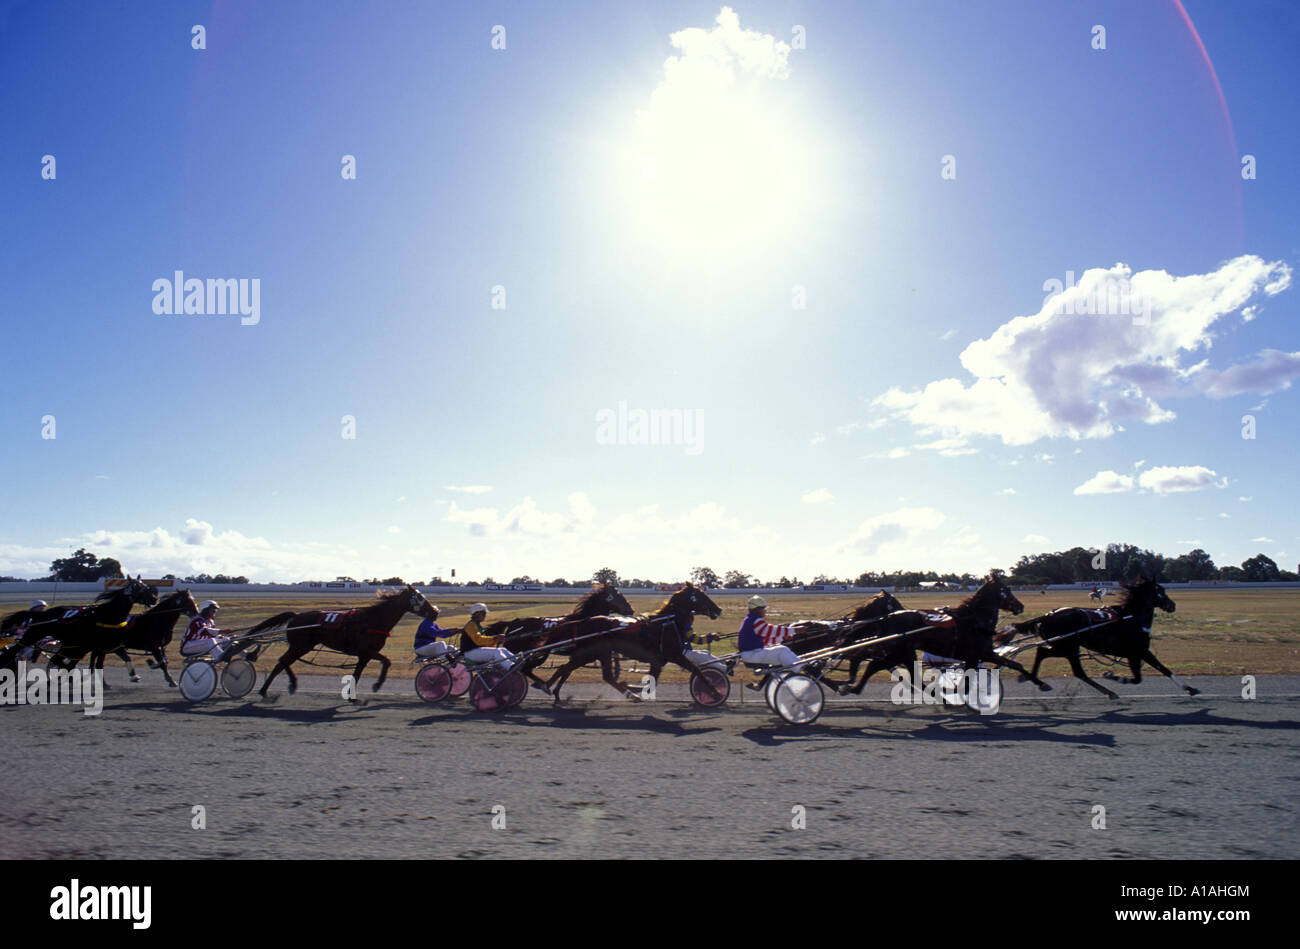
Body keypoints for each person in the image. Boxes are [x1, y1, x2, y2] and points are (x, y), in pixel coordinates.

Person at [737, 596, 801, 671]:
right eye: (764, 609)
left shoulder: (750, 619)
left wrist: (782, 637)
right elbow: (771, 631)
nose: (765, 611)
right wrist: (794, 630)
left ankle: (798, 668)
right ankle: (801, 669)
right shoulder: (756, 621)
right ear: (757, 609)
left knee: (782, 651)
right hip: (752, 655)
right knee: (782, 650)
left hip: (751, 654)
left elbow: (765, 639)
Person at [180, 600, 246, 661]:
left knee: (228, 640)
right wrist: (222, 631)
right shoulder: (197, 620)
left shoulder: (211, 621)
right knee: (211, 641)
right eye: (213, 609)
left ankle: (246, 655)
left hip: (201, 644)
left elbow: (215, 635)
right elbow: (204, 631)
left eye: (215, 610)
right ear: (205, 610)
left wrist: (229, 638)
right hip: (187, 646)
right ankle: (220, 656)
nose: (214, 612)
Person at [459, 603, 516, 669]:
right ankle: (511, 666)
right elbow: (479, 640)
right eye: (483, 613)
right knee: (496, 652)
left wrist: (496, 640)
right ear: (476, 613)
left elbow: (483, 642)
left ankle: (516, 661)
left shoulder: (477, 625)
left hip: (476, 651)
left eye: (485, 613)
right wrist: (495, 638)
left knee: (503, 649)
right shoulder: (471, 625)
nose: (485, 615)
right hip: (470, 653)